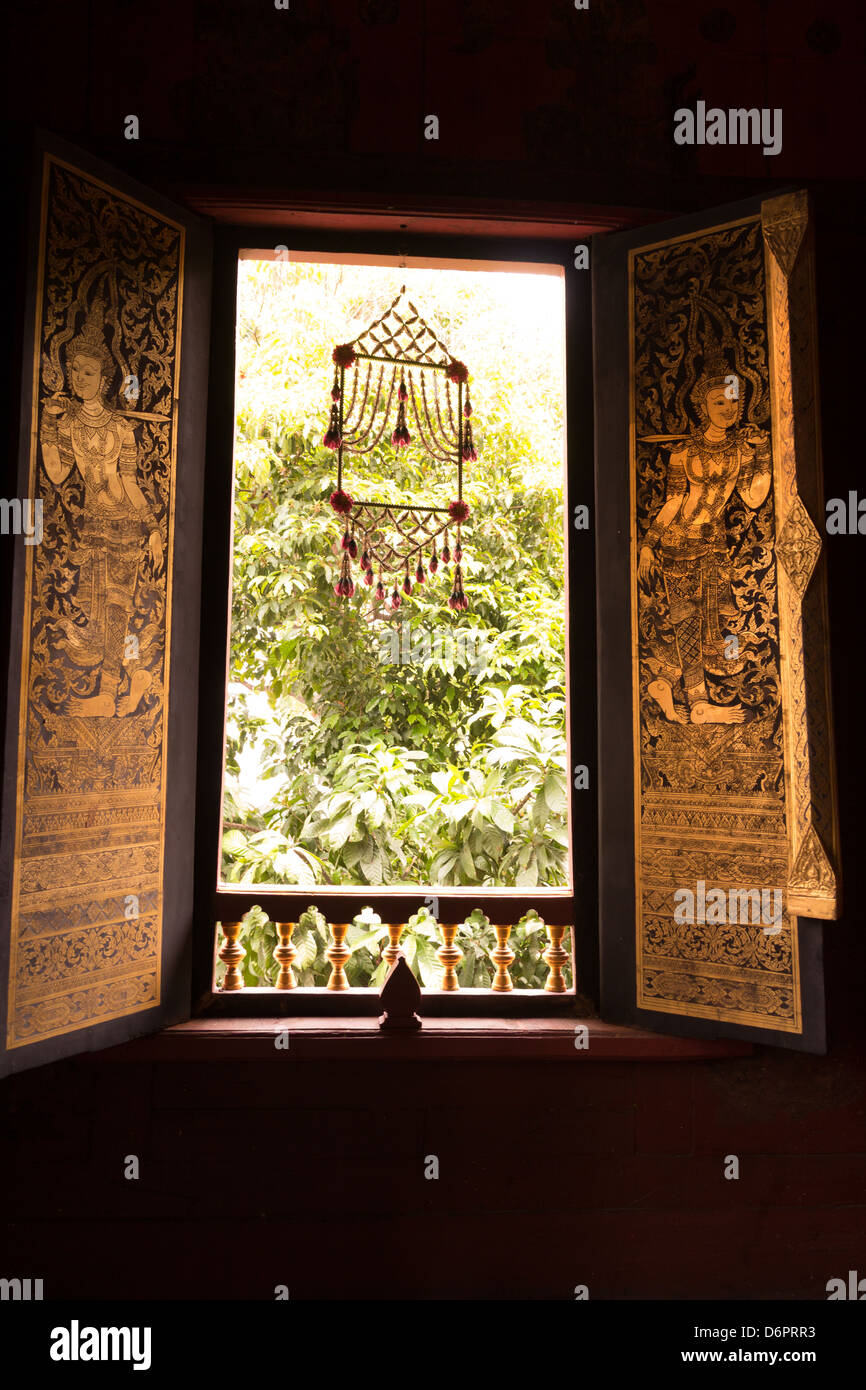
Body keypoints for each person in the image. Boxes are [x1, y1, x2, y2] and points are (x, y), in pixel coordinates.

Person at [38, 301, 163, 717]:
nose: (78, 379)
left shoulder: (120, 427)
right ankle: (137, 671)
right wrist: (48, 425)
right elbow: (56, 475)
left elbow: (130, 483)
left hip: (123, 522)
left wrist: (153, 530)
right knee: (101, 614)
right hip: (93, 525)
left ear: (105, 378)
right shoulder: (71, 423)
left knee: (115, 611)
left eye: (88, 373)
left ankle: (109, 695)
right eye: (74, 371)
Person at [638, 356, 772, 725]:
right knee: (689, 623)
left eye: (733, 402)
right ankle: (698, 703)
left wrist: (761, 454)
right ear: (702, 406)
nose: (728, 409)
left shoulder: (742, 451)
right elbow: (674, 502)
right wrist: (649, 543)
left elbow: (753, 498)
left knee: (702, 623)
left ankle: (664, 680)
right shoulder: (683, 453)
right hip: (679, 543)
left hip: (713, 547)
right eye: (719, 402)